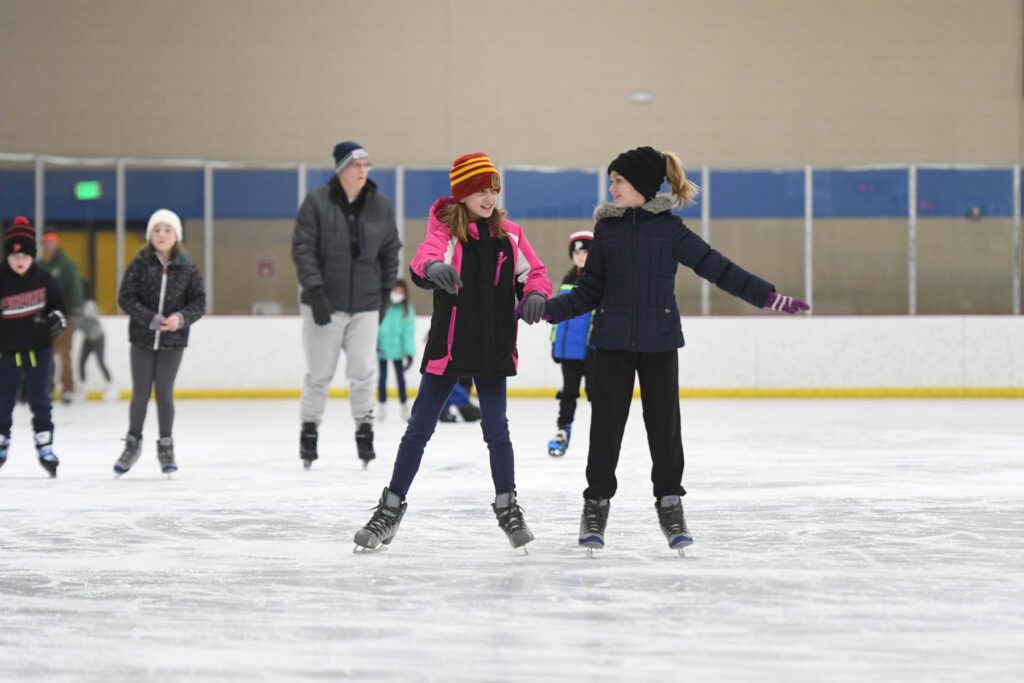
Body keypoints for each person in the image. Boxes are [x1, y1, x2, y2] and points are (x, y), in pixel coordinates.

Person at [544, 146, 810, 554]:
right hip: (611, 343)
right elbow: (588, 292)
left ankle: (670, 504)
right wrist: (544, 310)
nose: (611, 187)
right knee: (605, 430)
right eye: (611, 180)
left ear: (641, 185)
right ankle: (595, 506)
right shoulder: (607, 231)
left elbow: (718, 268)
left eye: (618, 180)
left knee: (665, 430)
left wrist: (768, 297)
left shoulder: (670, 230)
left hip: (659, 342)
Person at [353, 153, 551, 551]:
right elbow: (424, 256)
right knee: (419, 429)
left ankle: (508, 507)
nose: (488, 196)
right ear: (461, 195)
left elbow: (537, 273)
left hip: (494, 346)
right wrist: (430, 270)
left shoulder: (509, 235)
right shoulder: (447, 232)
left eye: (492, 188)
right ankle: (390, 510)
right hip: (450, 345)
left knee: (497, 431)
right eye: (479, 189)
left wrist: (535, 294)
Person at [292, 141, 402, 469]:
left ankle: (364, 430)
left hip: (366, 303)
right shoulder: (316, 203)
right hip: (323, 304)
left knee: (363, 372)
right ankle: (309, 432)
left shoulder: (380, 205)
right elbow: (303, 249)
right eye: (356, 165)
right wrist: (315, 292)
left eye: (366, 165)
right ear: (341, 169)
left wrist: (384, 293)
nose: (363, 171)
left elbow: (390, 249)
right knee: (319, 374)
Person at [113, 209, 206, 476]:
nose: (162, 235)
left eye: (167, 230)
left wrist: (180, 318)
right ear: (149, 235)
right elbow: (125, 298)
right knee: (140, 393)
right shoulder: (140, 264)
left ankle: (166, 445)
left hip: (173, 341)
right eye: (157, 230)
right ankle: (132, 444)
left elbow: (199, 303)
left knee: (164, 393)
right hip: (142, 339)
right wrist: (149, 319)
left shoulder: (187, 268)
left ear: (176, 235)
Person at [0, 217, 67, 477]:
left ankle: (44, 443)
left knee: (40, 399)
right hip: (6, 352)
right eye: (15, 255)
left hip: (38, 350)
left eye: (25, 255)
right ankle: (2, 440)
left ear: (32, 256)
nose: (20, 260)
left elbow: (60, 309)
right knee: (3, 401)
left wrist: (54, 322)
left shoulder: (46, 279)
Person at [546, 230, 594, 457]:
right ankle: (563, 430)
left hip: (594, 352)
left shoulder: (599, 280)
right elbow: (560, 321)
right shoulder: (567, 281)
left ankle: (603, 435)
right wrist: (557, 346)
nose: (581, 256)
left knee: (598, 394)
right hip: (570, 353)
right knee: (568, 393)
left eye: (586, 251)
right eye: (577, 252)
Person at [37, 232, 83, 403]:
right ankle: (47, 387)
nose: (48, 245)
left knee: (64, 353)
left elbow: (74, 288)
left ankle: (67, 388)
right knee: (45, 353)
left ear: (57, 243)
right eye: (45, 242)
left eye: (51, 242)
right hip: (43, 317)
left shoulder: (66, 265)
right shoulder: (39, 265)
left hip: (64, 316)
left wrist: (73, 308)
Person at [376, 279, 416, 422]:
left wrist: (409, 353)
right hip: (382, 349)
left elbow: (408, 333)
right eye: (395, 291)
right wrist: (375, 344)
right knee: (382, 378)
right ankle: (381, 407)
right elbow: (376, 327)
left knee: (401, 379)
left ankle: (405, 407)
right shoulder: (382, 307)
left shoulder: (407, 311)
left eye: (401, 292)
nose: (398, 294)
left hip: (399, 351)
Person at [77, 283, 112, 397]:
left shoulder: (89, 304)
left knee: (100, 361)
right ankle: (82, 384)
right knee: (81, 361)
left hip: (97, 337)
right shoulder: (79, 305)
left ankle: (109, 382)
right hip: (87, 338)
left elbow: (88, 317)